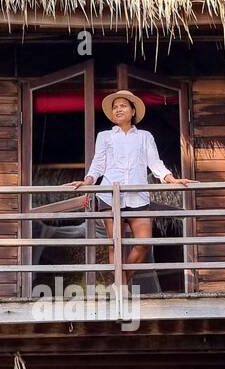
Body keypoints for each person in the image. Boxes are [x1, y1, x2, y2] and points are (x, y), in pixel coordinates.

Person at [67, 89, 190, 287]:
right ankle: (121, 289)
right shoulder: (105, 136)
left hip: (138, 197)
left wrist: (171, 179)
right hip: (110, 195)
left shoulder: (145, 136)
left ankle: (119, 283)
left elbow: (155, 163)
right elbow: (98, 163)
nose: (118, 110)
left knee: (144, 243)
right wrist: (87, 181)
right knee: (115, 244)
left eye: (123, 106)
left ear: (133, 111)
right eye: (115, 107)